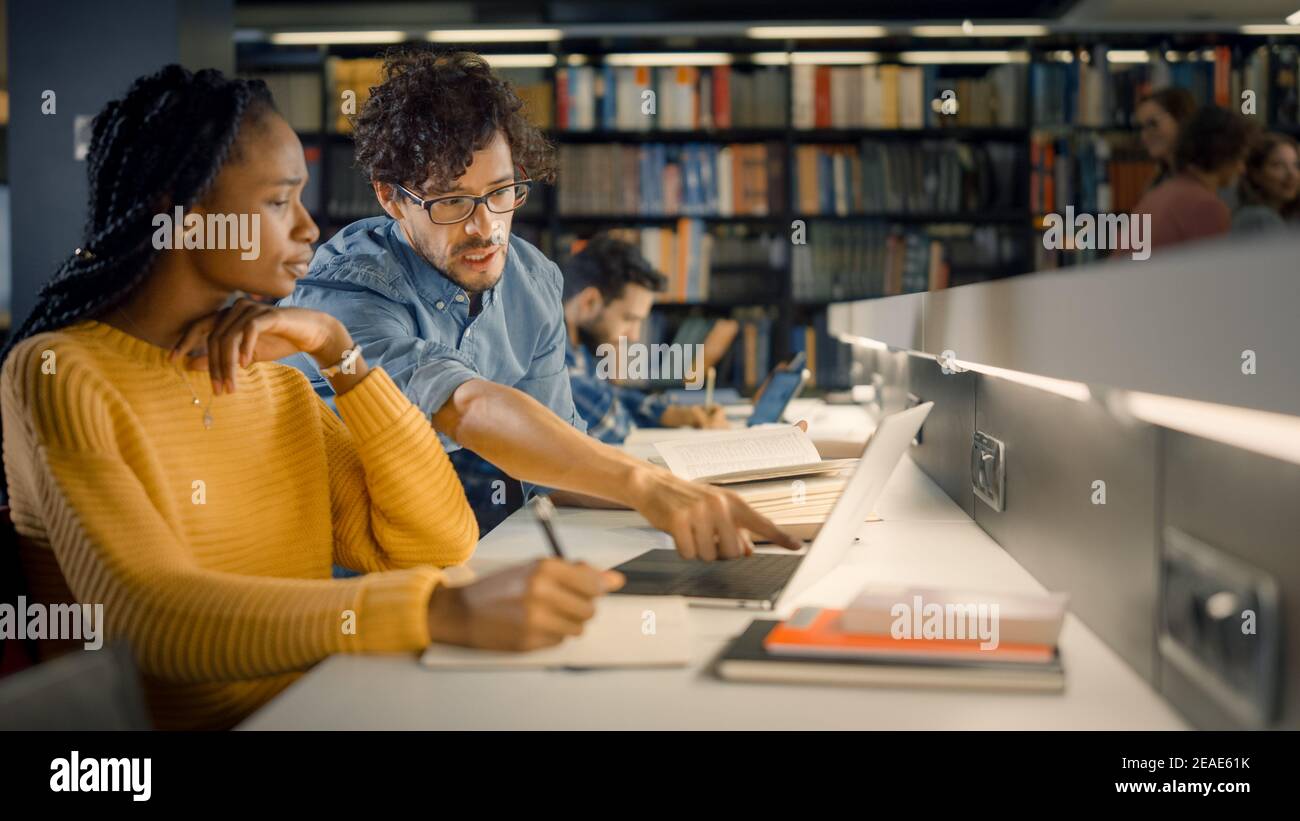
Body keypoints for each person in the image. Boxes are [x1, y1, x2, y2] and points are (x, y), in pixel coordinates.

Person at [0, 66, 626, 730]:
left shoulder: (270, 374)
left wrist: (342, 353)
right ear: (177, 212)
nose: (306, 228)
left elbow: (437, 539)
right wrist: (435, 611)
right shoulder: (58, 373)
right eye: (277, 202)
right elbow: (149, 616)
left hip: (322, 709)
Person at [279, 48, 797, 555]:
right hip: (343, 579)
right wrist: (644, 485)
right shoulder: (349, 289)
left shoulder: (533, 277)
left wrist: (705, 493)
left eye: (501, 192)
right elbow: (465, 407)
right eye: (452, 201)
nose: (486, 229)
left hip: (457, 551)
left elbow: (554, 466)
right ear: (390, 197)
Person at [562, 234, 729, 445]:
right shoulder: (550, 352)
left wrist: (674, 414)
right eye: (629, 319)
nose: (634, 336)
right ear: (589, 302)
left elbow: (608, 395)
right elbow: (613, 425)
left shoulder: (579, 347)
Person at [1133, 105, 1252, 252]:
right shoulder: (1205, 206)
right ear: (1223, 152)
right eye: (1239, 157)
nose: (1242, 169)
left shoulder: (1159, 193)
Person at [1233, 132, 1300, 233]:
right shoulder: (1257, 218)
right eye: (1278, 165)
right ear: (1256, 174)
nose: (1292, 174)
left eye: (1296, 165)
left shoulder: (1288, 216)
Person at [1135, 87, 1197, 188]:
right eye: (1142, 127)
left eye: (1153, 124)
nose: (1144, 136)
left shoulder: (1210, 177)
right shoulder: (1158, 182)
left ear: (1180, 118)